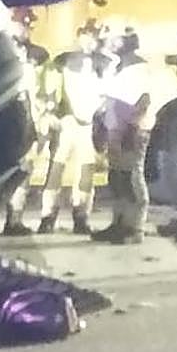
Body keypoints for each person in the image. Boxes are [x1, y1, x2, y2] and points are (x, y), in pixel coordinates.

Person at [37, 23, 111, 235]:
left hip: (89, 124)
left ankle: (81, 216)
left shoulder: (104, 64)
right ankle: (47, 216)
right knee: (56, 169)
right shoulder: (63, 61)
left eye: (94, 37)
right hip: (66, 122)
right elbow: (51, 88)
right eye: (86, 36)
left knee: (86, 171)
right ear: (79, 37)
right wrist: (49, 111)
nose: (89, 41)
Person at [93, 27, 153, 245]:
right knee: (117, 178)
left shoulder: (139, 68)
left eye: (115, 39)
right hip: (115, 130)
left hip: (131, 131)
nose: (110, 42)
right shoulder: (118, 67)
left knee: (132, 178)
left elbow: (143, 101)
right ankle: (118, 224)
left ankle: (135, 227)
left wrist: (131, 128)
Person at [2, 32, 61, 236]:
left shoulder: (18, 67)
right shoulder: (24, 70)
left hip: (24, 126)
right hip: (25, 127)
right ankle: (13, 221)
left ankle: (14, 219)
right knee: (22, 174)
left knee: (23, 173)